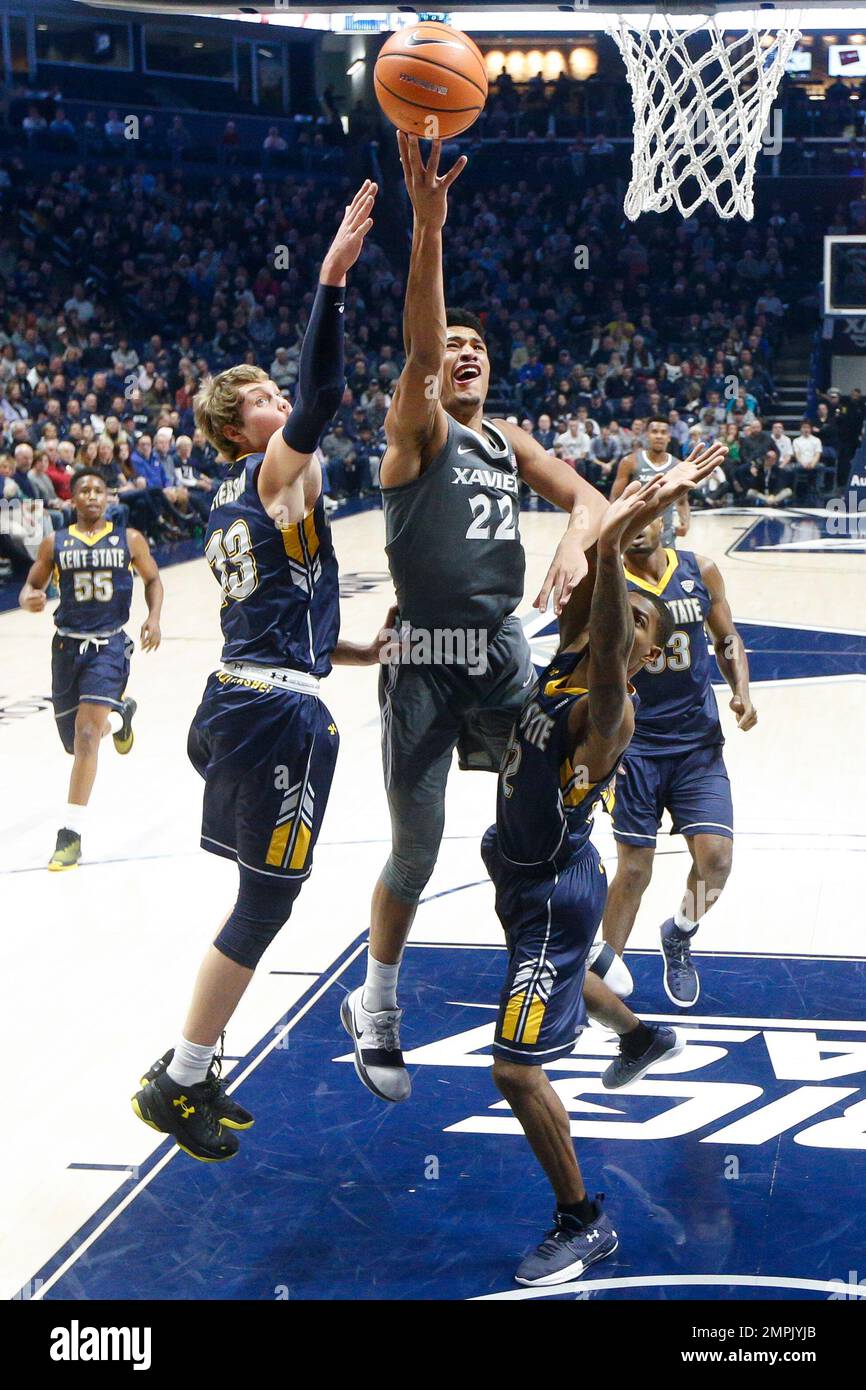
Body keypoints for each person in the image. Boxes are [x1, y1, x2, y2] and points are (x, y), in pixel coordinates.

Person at [341, 138, 615, 1106]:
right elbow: (419, 342)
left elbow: (586, 496)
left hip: (497, 649)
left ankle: (571, 973)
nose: (462, 353)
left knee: (547, 813)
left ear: (492, 372)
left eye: (478, 347)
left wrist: (576, 540)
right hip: (423, 654)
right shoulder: (417, 427)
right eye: (452, 345)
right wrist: (427, 227)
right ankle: (376, 1004)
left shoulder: (508, 438)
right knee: (415, 849)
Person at [131, 183, 387, 1163]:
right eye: (265, 405)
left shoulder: (244, 503)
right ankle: (181, 1076)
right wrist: (329, 278)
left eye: (277, 398)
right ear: (240, 432)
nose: (285, 409)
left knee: (262, 896)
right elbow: (322, 396)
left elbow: (295, 633)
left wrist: (370, 649)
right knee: (264, 902)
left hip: (250, 698)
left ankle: (193, 1065)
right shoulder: (274, 477)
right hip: (270, 718)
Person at [483, 479, 705, 1286]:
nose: (623, 620)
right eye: (625, 608)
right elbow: (581, 566)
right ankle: (642, 1036)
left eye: (641, 623)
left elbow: (610, 636)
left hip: (554, 889)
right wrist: (611, 509)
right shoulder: (569, 653)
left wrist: (615, 548)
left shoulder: (611, 709)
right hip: (518, 866)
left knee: (513, 1066)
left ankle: (583, 1222)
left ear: (645, 653)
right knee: (563, 973)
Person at [600, 513, 757, 1007]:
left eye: (648, 519)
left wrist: (741, 691)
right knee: (634, 869)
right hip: (635, 746)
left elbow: (726, 637)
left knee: (716, 860)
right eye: (629, 520)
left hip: (696, 744)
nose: (638, 528)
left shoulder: (701, 569)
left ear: (666, 522)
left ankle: (680, 931)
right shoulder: (606, 585)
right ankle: (605, 980)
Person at [18, 469, 163, 870]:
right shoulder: (55, 543)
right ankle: (121, 717)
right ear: (74, 500)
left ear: (108, 497)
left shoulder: (129, 539)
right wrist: (31, 597)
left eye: (99, 489)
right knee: (75, 742)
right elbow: (31, 586)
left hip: (108, 645)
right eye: (85, 490)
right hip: (66, 647)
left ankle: (70, 834)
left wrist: (153, 618)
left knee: (85, 737)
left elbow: (153, 579)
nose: (93, 495)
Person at [610, 416, 689, 545]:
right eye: (654, 431)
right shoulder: (629, 462)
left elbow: (682, 502)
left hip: (666, 535)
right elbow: (615, 498)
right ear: (647, 435)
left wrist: (685, 523)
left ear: (669, 437)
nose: (659, 436)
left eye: (663, 433)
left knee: (668, 565)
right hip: (634, 534)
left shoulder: (678, 466)